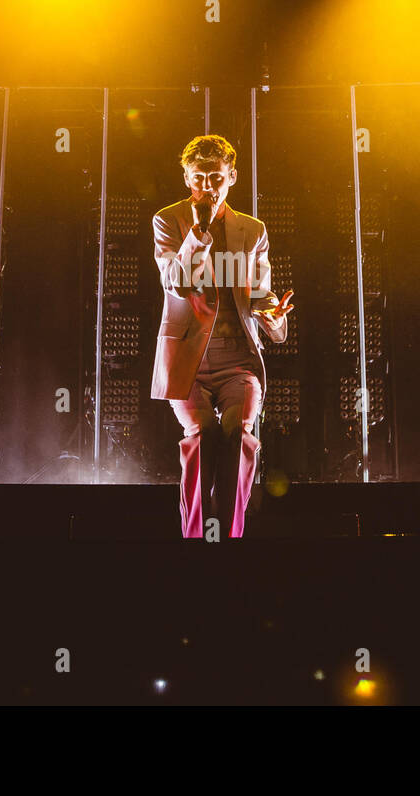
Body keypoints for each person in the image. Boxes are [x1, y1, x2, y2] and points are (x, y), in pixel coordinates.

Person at [151, 134, 294, 539]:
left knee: (237, 435)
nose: (208, 187)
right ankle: (195, 540)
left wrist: (273, 318)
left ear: (232, 177)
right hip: (187, 364)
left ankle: (228, 541)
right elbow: (176, 282)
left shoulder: (253, 229)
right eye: (199, 178)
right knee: (202, 437)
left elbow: (262, 296)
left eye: (216, 177)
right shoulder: (168, 220)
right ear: (186, 178)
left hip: (238, 362)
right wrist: (198, 229)